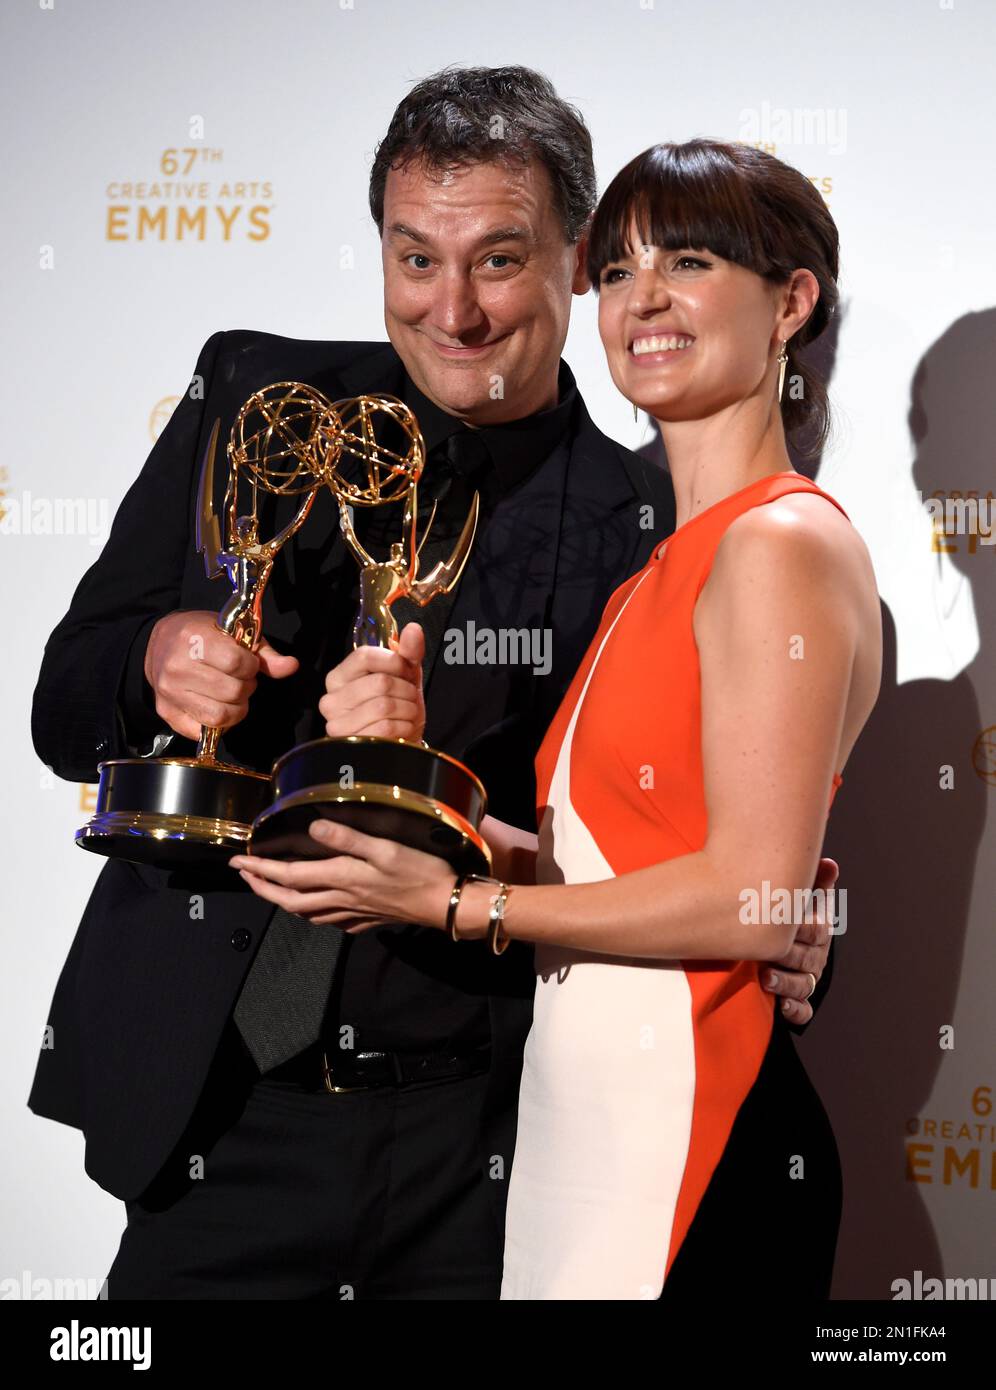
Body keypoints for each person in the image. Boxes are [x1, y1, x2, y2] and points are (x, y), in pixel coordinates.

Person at [29, 70, 835, 1299]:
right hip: (216, 1117)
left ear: (576, 260)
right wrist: (153, 662)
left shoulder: (652, 532)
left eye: (499, 261)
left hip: (488, 1150)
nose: (453, 311)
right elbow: (60, 705)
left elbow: (672, 840)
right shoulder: (252, 402)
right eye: (416, 259)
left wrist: (807, 916)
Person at [232, 137, 882, 1301]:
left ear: (791, 302)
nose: (646, 301)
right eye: (620, 270)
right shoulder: (662, 566)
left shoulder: (778, 543)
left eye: (689, 260)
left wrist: (451, 901)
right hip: (594, 1139)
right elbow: (635, 858)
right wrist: (427, 825)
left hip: (700, 1135)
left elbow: (749, 894)